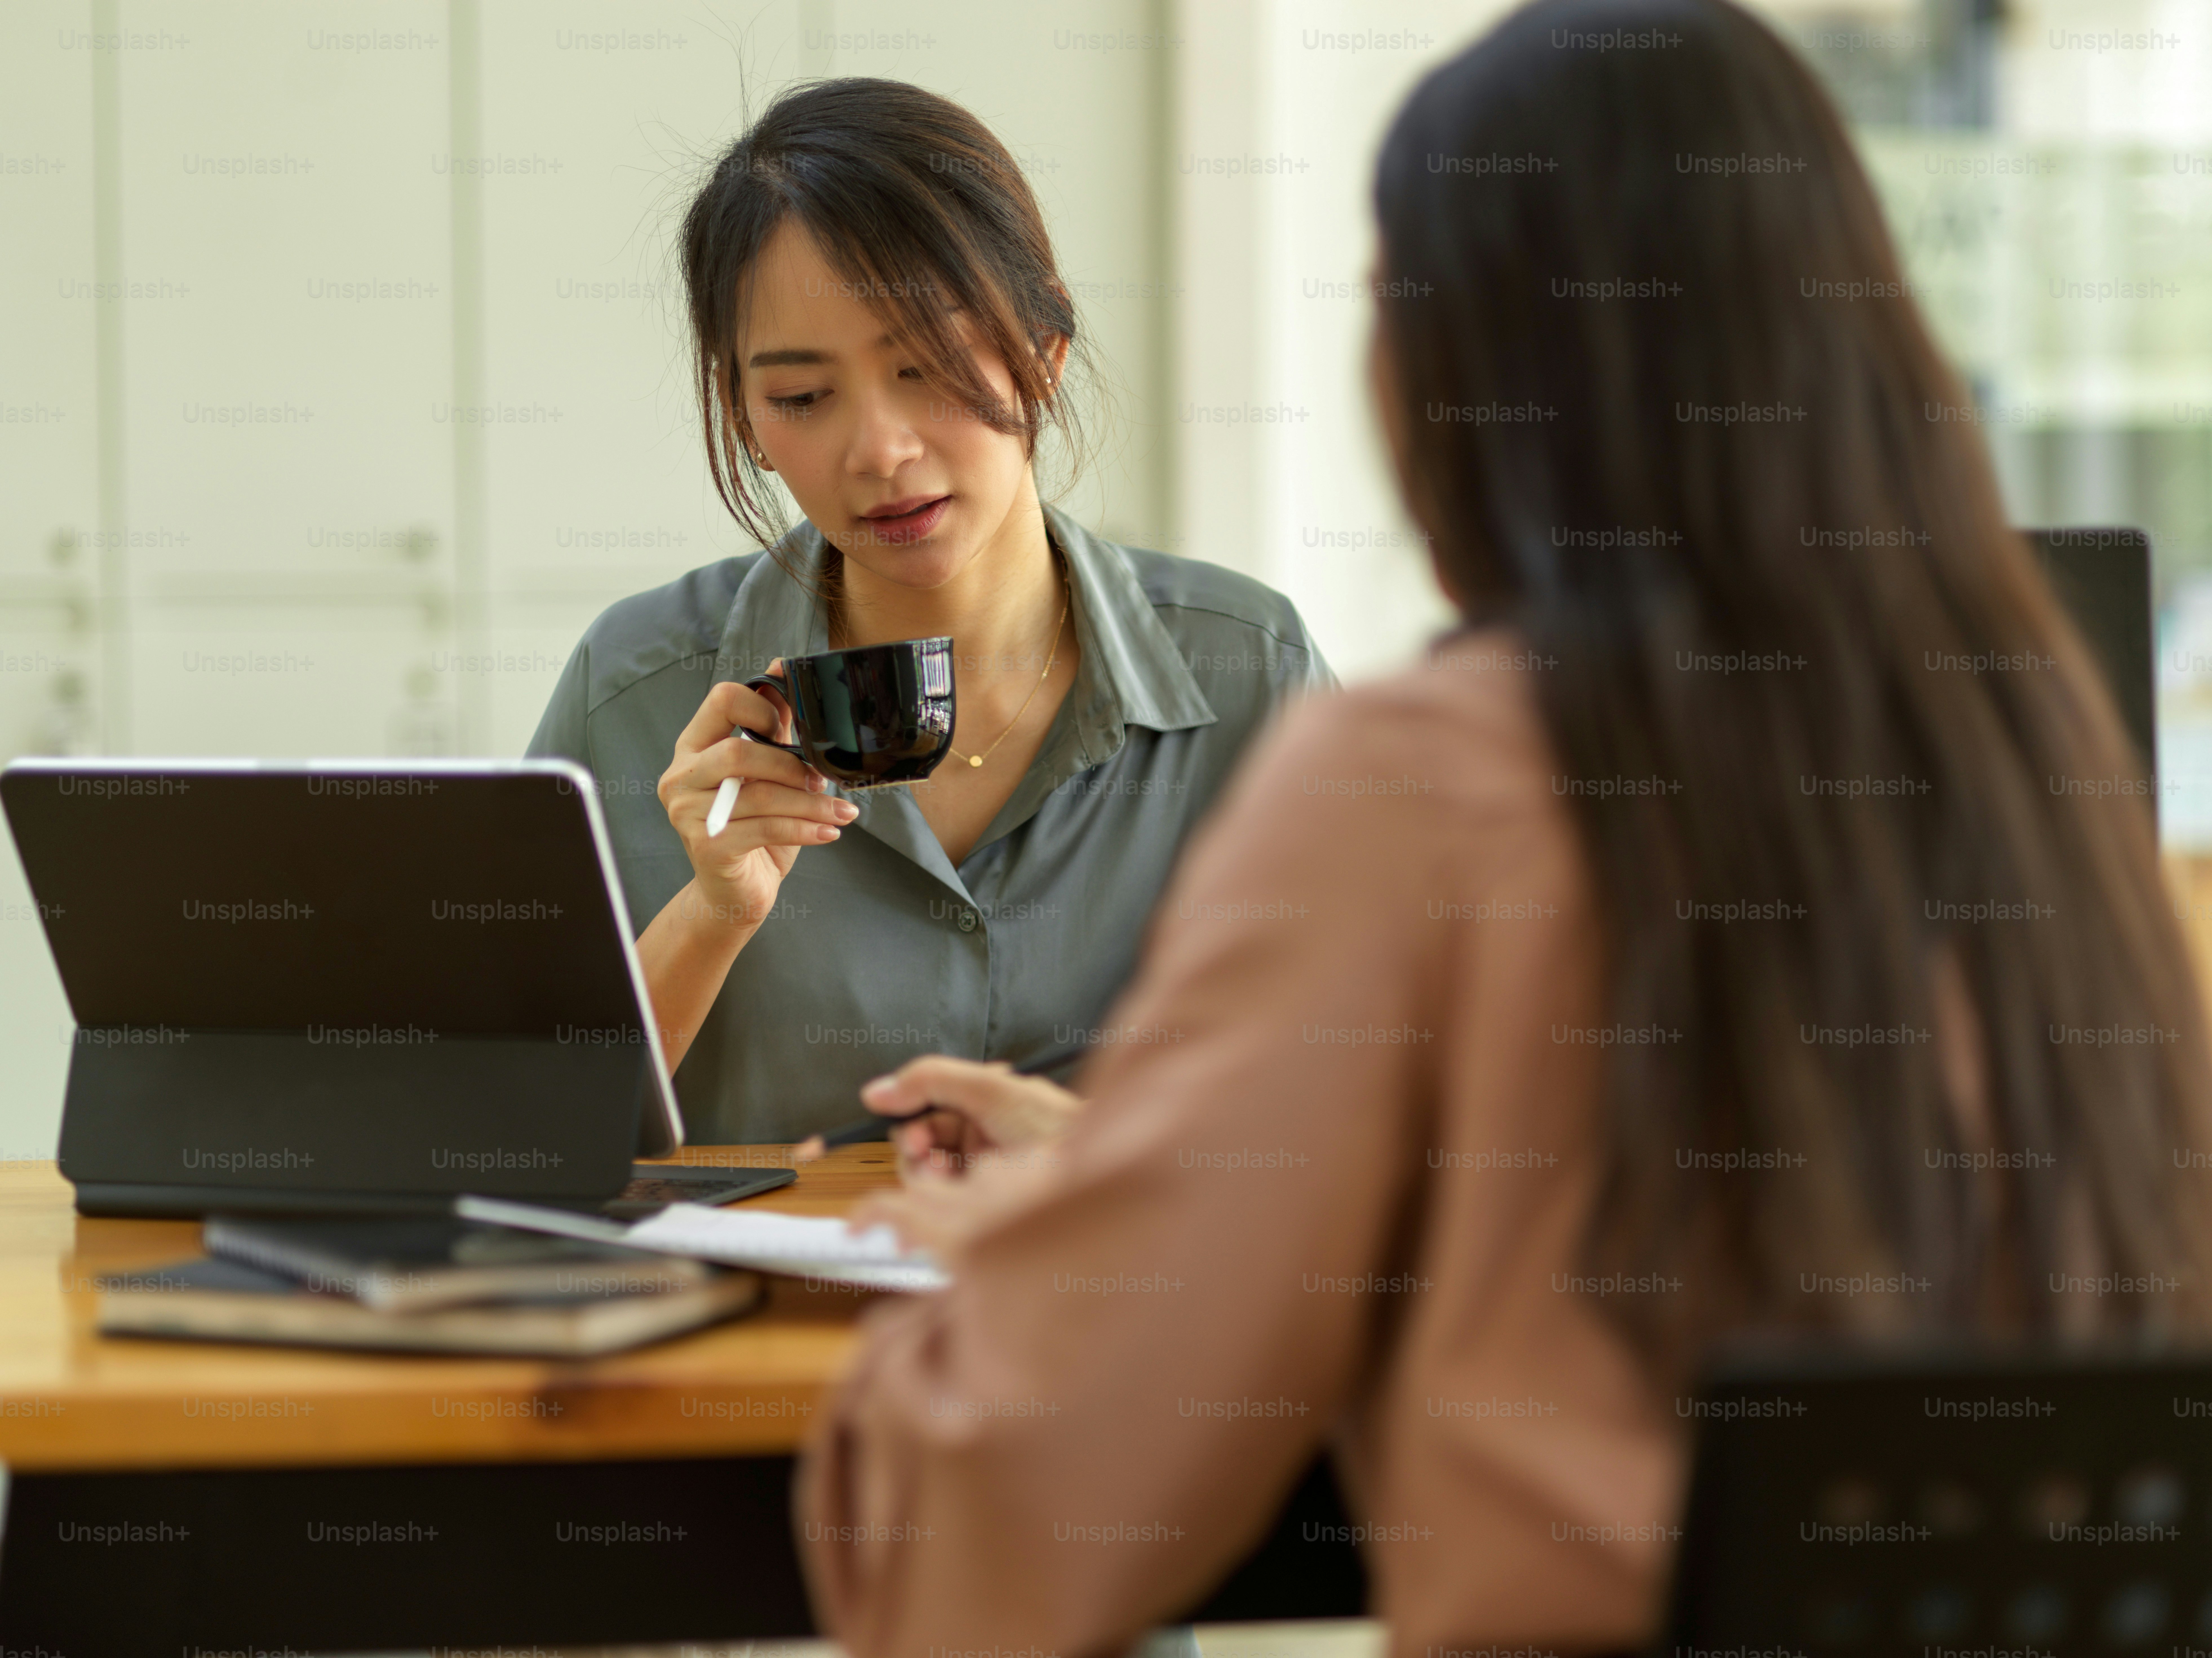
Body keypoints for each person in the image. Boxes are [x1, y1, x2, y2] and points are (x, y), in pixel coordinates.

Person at [793, 0, 2212, 1652]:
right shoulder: (2031, 753)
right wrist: (1150, 1179)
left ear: (1443, 373)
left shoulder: (1416, 778)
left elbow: (993, 1537)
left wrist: (1037, 1253)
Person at [527, 80, 1329, 1141]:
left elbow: (1379, 1109)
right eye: (803, 397)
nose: (880, 452)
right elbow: (519, 1138)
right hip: (778, 1306)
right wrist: (711, 916)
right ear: (744, 416)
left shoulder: (1251, 675)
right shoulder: (634, 686)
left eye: (927, 367)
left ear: (1041, 353)